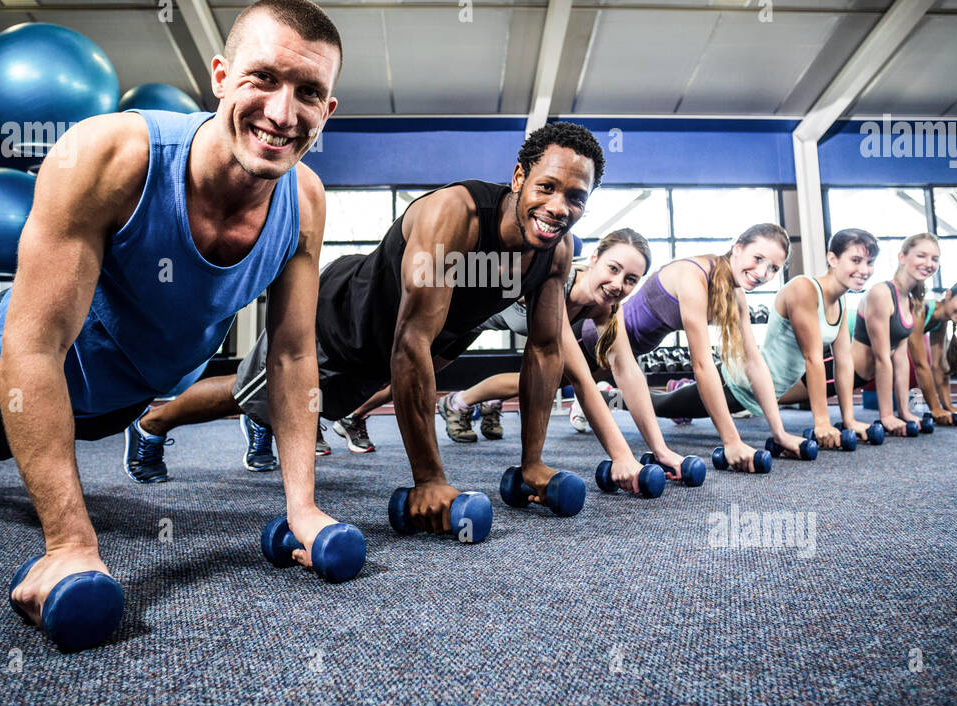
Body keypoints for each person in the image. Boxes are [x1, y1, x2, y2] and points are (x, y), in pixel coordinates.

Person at [0, 0, 343, 633]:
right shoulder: (112, 155)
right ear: (220, 76)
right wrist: (70, 547)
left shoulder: (305, 200)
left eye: (307, 92)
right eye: (262, 78)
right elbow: (35, 344)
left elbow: (292, 356)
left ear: (326, 112)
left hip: (132, 393)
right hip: (28, 366)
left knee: (58, 441)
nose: (281, 112)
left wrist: (303, 508)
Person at [133, 121, 640, 527]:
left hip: (407, 343)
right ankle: (152, 425)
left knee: (319, 409)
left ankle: (273, 422)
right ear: (518, 178)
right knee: (248, 398)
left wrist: (532, 464)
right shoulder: (454, 217)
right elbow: (410, 341)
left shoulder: (555, 253)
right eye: (547, 187)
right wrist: (429, 479)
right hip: (339, 320)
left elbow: (547, 352)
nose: (558, 207)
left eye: (575, 197)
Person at [439, 230, 696, 480]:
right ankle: (454, 403)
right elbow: (582, 380)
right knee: (401, 382)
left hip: (479, 324)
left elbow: (628, 371)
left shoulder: (606, 306)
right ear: (594, 257)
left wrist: (661, 451)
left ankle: (481, 403)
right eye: (613, 268)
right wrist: (622, 456)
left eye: (631, 279)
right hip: (452, 314)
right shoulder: (554, 283)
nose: (618, 284)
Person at [627, 224, 794, 473]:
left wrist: (780, 433)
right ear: (737, 248)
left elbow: (754, 362)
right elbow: (702, 365)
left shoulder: (736, 296)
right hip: (600, 342)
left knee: (642, 402)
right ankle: (599, 397)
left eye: (773, 268)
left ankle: (606, 397)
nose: (762, 273)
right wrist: (732, 441)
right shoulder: (694, 276)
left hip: (631, 356)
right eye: (758, 258)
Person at [742, 228, 880, 446]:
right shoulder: (804, 288)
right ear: (832, 258)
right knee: (671, 405)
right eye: (856, 260)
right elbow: (813, 358)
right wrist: (823, 422)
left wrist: (849, 420)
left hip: (780, 389)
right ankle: (683, 387)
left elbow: (844, 362)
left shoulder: (840, 301)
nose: (864, 270)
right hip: (745, 384)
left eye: (870, 262)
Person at [847, 232, 940, 436]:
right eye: (921, 256)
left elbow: (900, 359)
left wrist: (904, 411)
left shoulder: (909, 300)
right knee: (773, 395)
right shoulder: (882, 293)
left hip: (858, 378)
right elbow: (882, 359)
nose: (929, 263)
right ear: (902, 257)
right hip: (840, 374)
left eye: (935, 259)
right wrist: (887, 415)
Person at [909, 279, 957, 425]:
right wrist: (935, 409)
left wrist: (947, 405)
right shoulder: (922, 309)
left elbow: (937, 366)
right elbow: (920, 364)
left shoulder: (941, 320)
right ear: (948, 295)